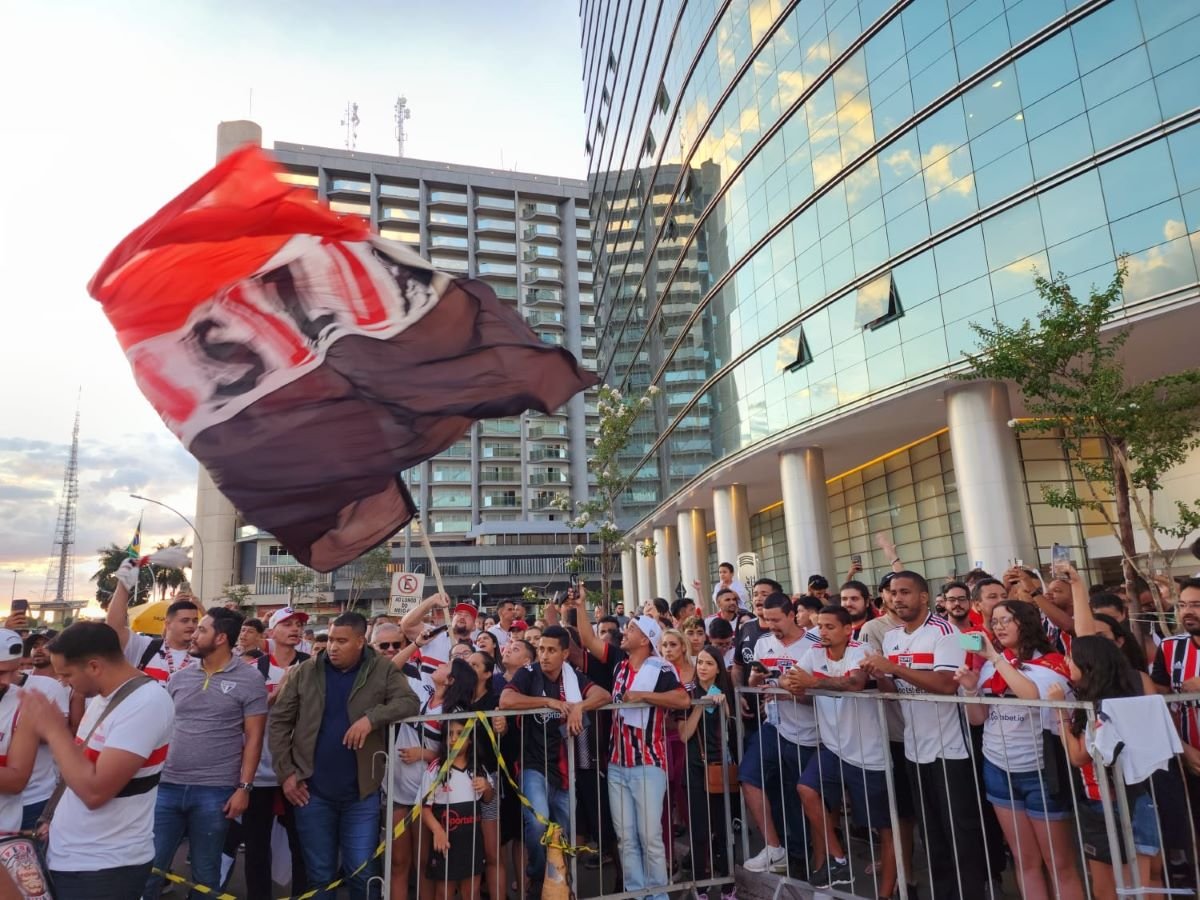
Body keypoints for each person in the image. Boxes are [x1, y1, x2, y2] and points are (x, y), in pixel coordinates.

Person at [269, 612, 420, 900]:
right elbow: (279, 722)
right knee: (320, 873)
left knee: (362, 870)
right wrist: (286, 774)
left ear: (361, 641)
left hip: (361, 794)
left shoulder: (382, 670)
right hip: (310, 792)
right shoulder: (305, 671)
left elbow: (408, 702)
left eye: (342, 641)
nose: (333, 647)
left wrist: (371, 719)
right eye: (330, 640)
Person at [860, 570, 986, 899]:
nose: (897, 598)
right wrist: (879, 673)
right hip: (914, 747)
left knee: (960, 832)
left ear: (924, 597)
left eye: (905, 592)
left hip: (951, 749)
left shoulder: (945, 633)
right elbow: (894, 689)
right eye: (892, 592)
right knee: (931, 836)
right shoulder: (892, 638)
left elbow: (946, 685)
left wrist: (894, 668)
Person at [27, 622, 174, 900]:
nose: (63, 682)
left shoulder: (146, 703)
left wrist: (53, 730)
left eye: (67, 674)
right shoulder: (105, 697)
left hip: (106, 867)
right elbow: (79, 766)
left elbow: (95, 792)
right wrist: (54, 817)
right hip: (75, 856)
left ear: (94, 667)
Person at [955, 601, 1083, 900]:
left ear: (1025, 623)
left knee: (1059, 863)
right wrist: (972, 689)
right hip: (998, 768)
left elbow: (1031, 696)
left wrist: (996, 658)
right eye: (995, 621)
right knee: (1024, 860)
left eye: (1006, 620)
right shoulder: (991, 664)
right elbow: (978, 719)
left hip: (1040, 771)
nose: (997, 627)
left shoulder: (1051, 662)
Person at [143, 607, 269, 900]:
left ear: (221, 638)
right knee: (150, 868)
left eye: (201, 630)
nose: (193, 634)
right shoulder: (180, 678)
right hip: (167, 787)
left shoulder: (250, 680)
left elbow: (254, 738)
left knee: (205, 873)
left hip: (215, 791)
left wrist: (244, 789)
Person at [788, 606, 898, 895]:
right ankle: (838, 859)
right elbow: (791, 678)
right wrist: (794, 684)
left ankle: (886, 893)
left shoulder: (861, 649)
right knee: (806, 788)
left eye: (830, 626)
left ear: (847, 629)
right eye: (820, 625)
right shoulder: (813, 652)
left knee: (885, 828)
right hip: (833, 747)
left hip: (868, 751)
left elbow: (855, 682)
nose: (822, 631)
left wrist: (812, 683)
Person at [499, 625, 610, 895]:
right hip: (533, 766)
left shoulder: (574, 677)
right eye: (541, 649)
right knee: (538, 824)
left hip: (564, 768)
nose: (544, 655)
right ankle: (537, 879)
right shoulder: (529, 673)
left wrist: (579, 706)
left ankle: (561, 885)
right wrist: (547, 703)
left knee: (566, 834)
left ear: (564, 654)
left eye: (550, 650)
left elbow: (603, 695)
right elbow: (506, 698)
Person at [1053, 636, 1163, 898]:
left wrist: (1060, 712)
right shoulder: (1104, 697)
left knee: (1128, 889)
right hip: (1110, 802)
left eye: (1071, 657)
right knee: (1118, 889)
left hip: (1117, 804)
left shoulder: (1102, 706)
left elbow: (1079, 755)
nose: (1066, 661)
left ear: (1088, 664)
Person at [607, 616, 689, 900]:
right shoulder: (620, 667)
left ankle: (658, 894)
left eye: (631, 629)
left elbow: (682, 700)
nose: (623, 632)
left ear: (645, 640)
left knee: (650, 836)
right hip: (617, 763)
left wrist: (643, 695)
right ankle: (637, 892)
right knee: (626, 838)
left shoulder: (661, 668)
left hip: (648, 762)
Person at [741, 593, 819, 874]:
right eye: (765, 619)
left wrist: (791, 694)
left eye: (776, 619)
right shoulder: (763, 644)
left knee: (795, 793)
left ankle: (801, 855)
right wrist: (755, 680)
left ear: (791, 614)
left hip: (807, 730)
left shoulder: (814, 645)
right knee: (749, 775)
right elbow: (753, 679)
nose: (770, 625)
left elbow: (821, 694)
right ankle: (774, 847)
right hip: (773, 724)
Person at [240, 606, 310, 900]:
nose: (295, 629)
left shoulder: (313, 666)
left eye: (298, 625)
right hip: (260, 772)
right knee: (257, 846)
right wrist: (278, 692)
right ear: (271, 633)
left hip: (299, 773)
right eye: (287, 624)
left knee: (302, 844)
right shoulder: (253, 670)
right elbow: (244, 718)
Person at [678, 645, 736, 900]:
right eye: (700, 662)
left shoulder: (726, 692)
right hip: (694, 767)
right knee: (700, 831)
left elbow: (731, 727)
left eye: (708, 663)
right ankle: (700, 887)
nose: (702, 667)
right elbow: (684, 734)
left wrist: (722, 703)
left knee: (723, 831)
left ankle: (728, 886)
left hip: (720, 766)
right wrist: (700, 706)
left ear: (718, 668)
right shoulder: (686, 693)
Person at [420, 717, 493, 900]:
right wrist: (437, 831)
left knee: (471, 892)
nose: (454, 738)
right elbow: (423, 808)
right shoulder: (436, 769)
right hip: (446, 844)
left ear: (470, 740)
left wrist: (486, 787)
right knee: (444, 893)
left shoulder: (478, 768)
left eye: (460, 734)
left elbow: (488, 798)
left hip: (472, 843)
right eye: (450, 734)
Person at [106, 559, 200, 682]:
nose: (191, 625)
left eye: (195, 621)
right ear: (168, 623)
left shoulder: (203, 657)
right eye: (185, 620)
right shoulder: (145, 646)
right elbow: (114, 627)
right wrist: (123, 584)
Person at [19, 632, 69, 830]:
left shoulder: (54, 687)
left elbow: (61, 730)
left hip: (36, 794)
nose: (39, 649)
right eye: (35, 645)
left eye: (45, 645)